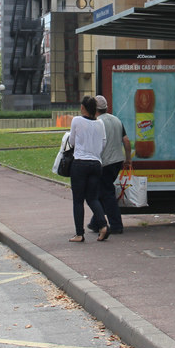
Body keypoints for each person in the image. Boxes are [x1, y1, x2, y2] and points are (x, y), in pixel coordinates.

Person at [67, 95, 109, 242]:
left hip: (80, 163)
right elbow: (103, 144)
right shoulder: (100, 123)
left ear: (83, 108)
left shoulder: (77, 121)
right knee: (92, 198)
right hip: (96, 163)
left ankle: (79, 233)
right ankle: (103, 225)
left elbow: (71, 141)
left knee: (78, 200)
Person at [88, 94, 131, 235]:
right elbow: (126, 141)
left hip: (104, 162)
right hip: (117, 161)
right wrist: (128, 159)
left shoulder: (96, 122)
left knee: (107, 193)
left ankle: (116, 224)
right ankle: (96, 222)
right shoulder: (116, 120)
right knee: (102, 192)